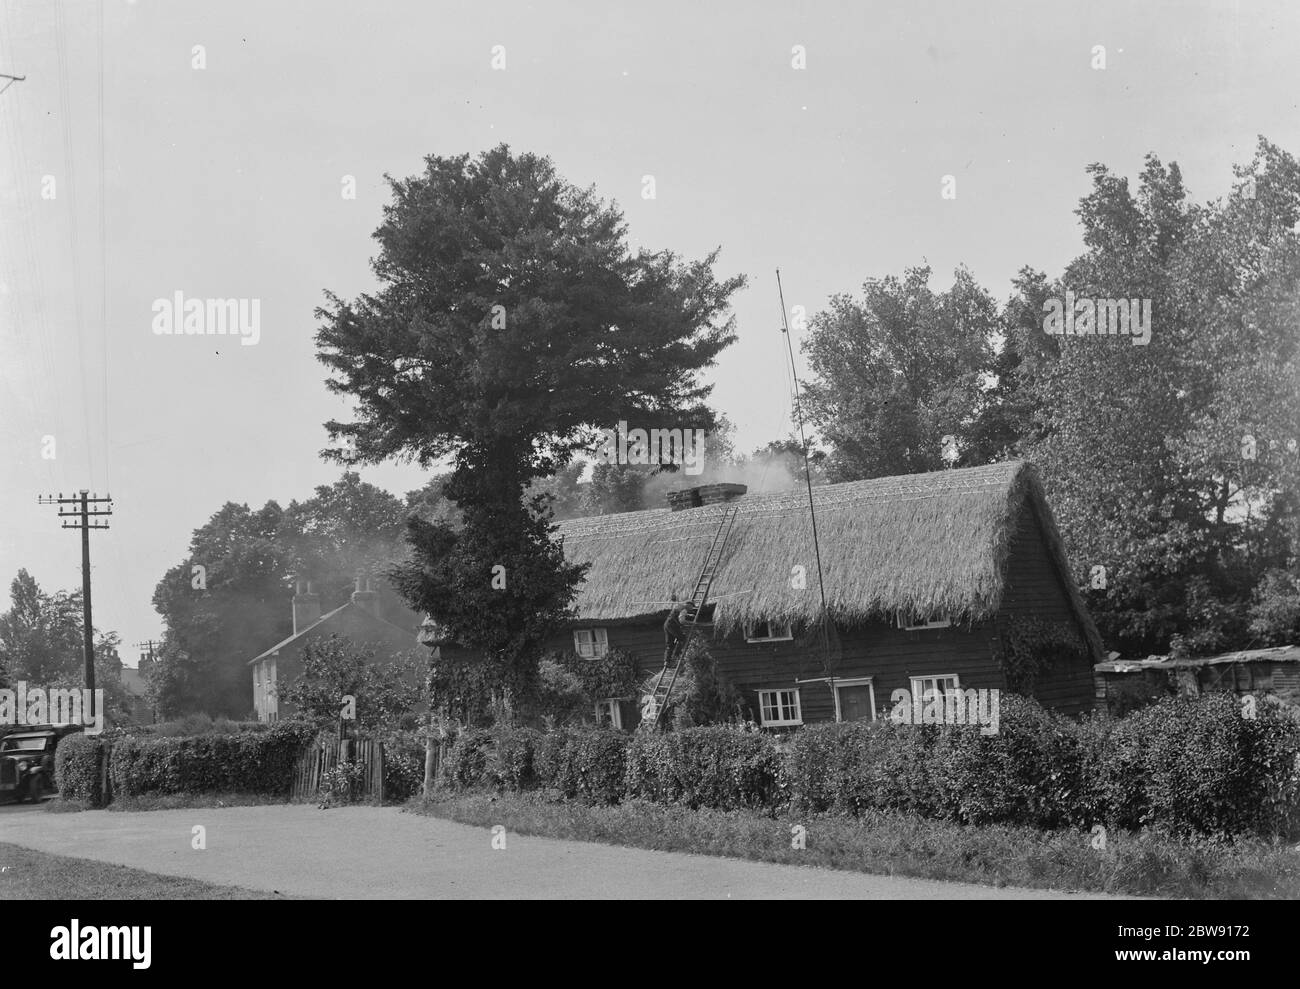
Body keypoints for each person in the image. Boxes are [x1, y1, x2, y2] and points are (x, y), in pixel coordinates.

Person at [663, 593, 689, 665]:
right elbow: (681, 620)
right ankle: (676, 656)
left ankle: (667, 661)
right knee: (682, 638)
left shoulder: (678, 606)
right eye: (691, 606)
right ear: (688, 605)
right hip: (672, 625)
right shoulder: (684, 610)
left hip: (667, 624)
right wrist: (689, 623)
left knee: (670, 644)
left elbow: (675, 599)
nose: (692, 608)